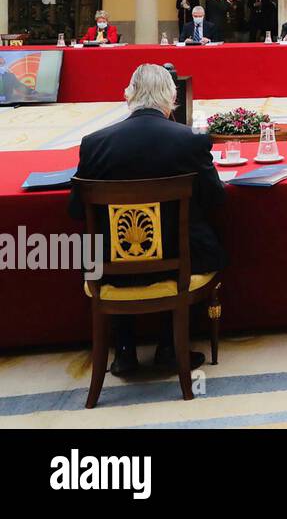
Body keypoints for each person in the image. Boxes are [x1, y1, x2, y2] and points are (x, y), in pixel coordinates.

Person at [69, 63, 225, 375]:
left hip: (112, 263)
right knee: (187, 243)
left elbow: (75, 211)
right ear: (171, 98)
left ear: (129, 96)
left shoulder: (94, 143)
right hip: (183, 260)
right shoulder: (190, 141)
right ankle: (169, 346)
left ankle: (124, 350)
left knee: (113, 247)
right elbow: (216, 199)